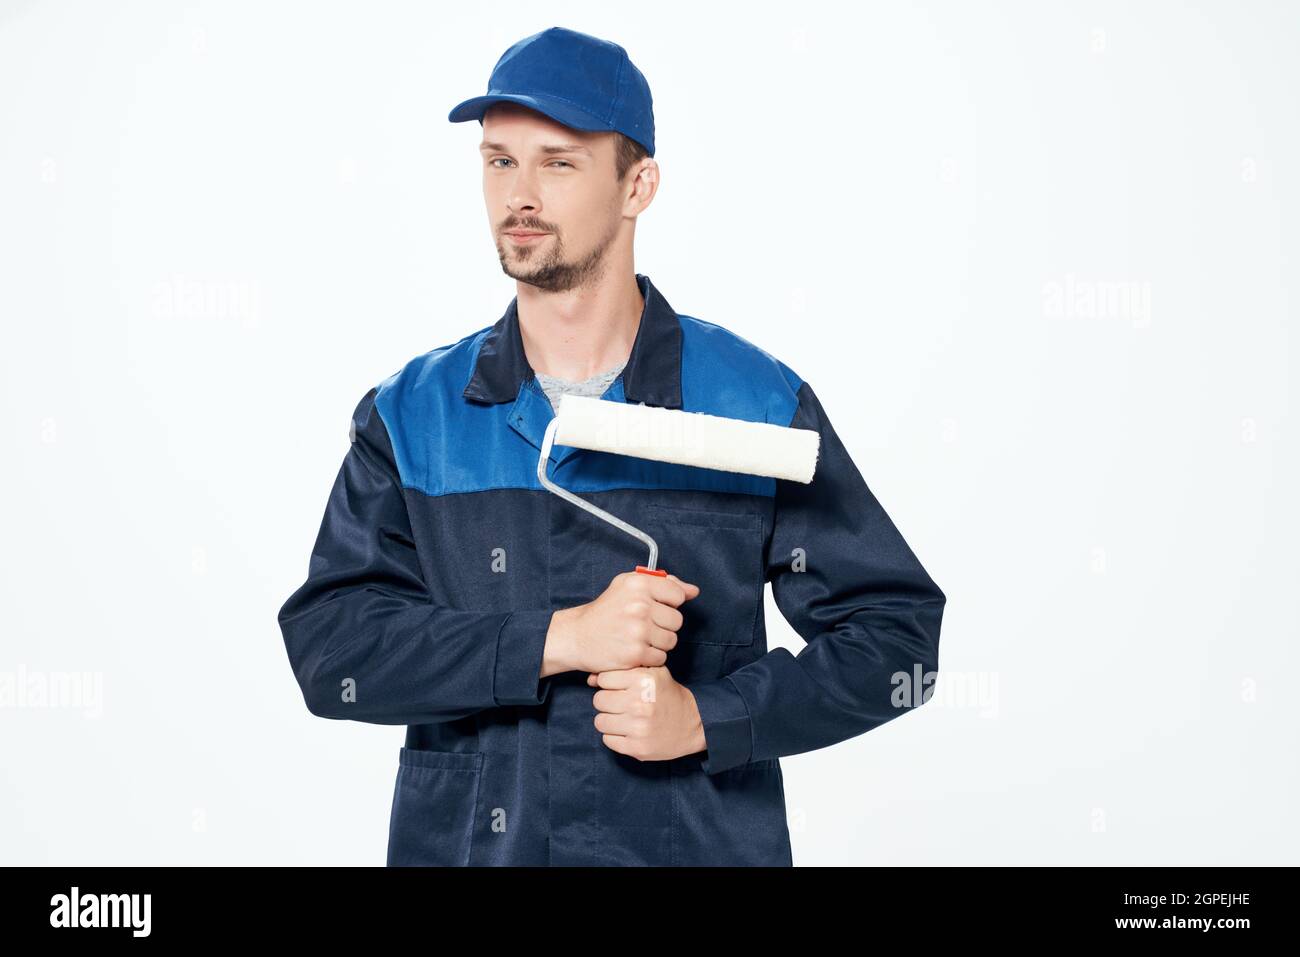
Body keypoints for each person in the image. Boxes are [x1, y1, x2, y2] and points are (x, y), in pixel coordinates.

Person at [277, 25, 946, 867]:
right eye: (498, 160)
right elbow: (331, 648)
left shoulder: (753, 406)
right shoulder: (414, 416)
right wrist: (559, 638)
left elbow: (898, 636)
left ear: (639, 185)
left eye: (558, 163)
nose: (519, 194)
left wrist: (707, 718)